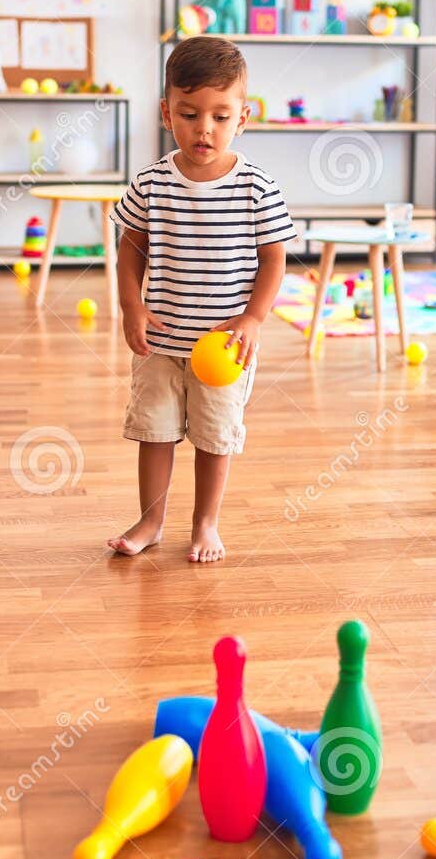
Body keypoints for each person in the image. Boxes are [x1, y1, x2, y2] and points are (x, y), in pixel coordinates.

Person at [108, 37, 296, 563]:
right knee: (155, 430)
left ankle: (205, 523)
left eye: (220, 115)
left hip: (222, 348)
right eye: (189, 114)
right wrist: (131, 306)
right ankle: (150, 521)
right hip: (162, 339)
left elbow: (274, 258)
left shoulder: (256, 186)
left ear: (244, 117)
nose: (204, 128)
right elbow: (130, 249)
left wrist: (255, 318)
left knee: (215, 437)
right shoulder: (151, 183)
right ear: (167, 113)